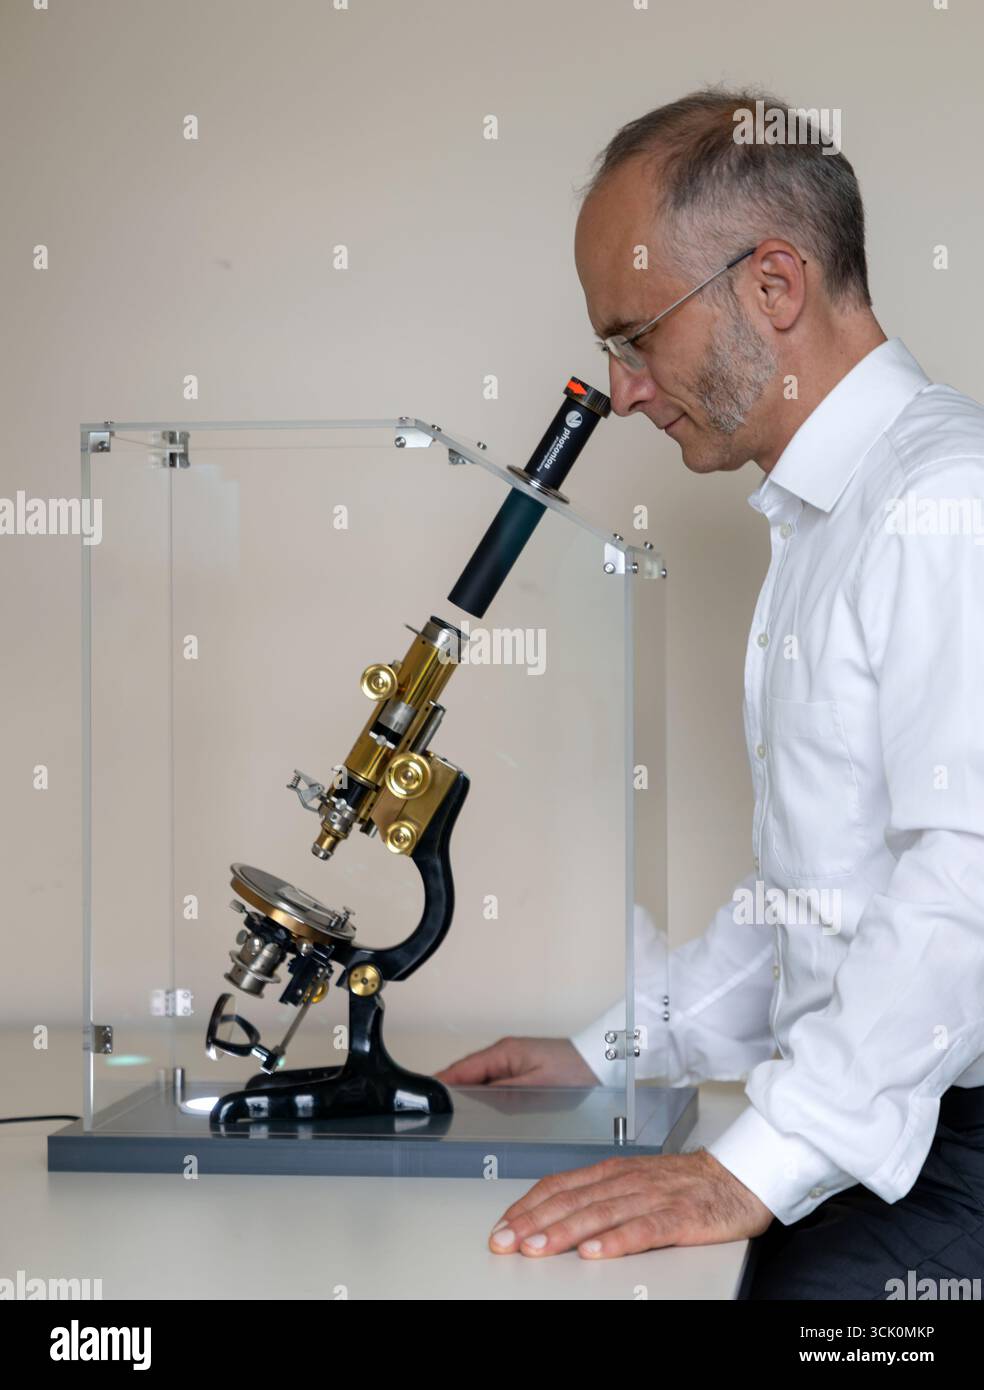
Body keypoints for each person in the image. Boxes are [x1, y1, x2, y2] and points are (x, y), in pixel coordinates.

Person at [434, 87, 984, 1298]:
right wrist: (611, 1049)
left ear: (774, 287)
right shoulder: (827, 521)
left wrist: (758, 1164)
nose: (623, 390)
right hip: (885, 1121)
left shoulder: (950, 503)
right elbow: (821, 895)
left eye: (637, 336)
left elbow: (968, 878)